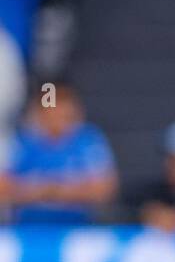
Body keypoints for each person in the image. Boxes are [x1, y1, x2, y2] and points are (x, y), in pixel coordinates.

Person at [0, 80, 114, 223]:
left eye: (63, 114)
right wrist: (42, 191)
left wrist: (53, 191)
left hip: (77, 230)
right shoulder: (22, 141)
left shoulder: (87, 141)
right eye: (51, 113)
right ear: (40, 114)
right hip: (28, 229)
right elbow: (3, 188)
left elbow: (103, 189)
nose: (56, 119)